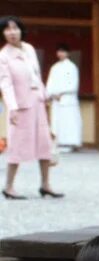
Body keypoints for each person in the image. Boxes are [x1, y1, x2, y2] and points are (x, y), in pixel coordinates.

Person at [0, 15, 60, 198]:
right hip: (20, 105)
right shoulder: (3, 56)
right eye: (7, 29)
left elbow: (37, 76)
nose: (12, 32)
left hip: (38, 102)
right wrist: (13, 108)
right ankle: (9, 187)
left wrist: (45, 95)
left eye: (15, 28)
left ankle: (45, 184)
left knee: (44, 143)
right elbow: (5, 83)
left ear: (21, 30)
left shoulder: (29, 49)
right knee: (17, 145)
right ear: (2, 33)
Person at [45, 42, 81, 152]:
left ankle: (70, 143)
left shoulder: (71, 67)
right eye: (59, 51)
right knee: (57, 121)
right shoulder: (54, 67)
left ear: (68, 53)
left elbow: (73, 84)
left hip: (67, 98)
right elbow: (50, 83)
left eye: (63, 51)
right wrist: (50, 94)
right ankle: (59, 142)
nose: (61, 54)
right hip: (56, 99)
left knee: (69, 121)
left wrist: (61, 93)